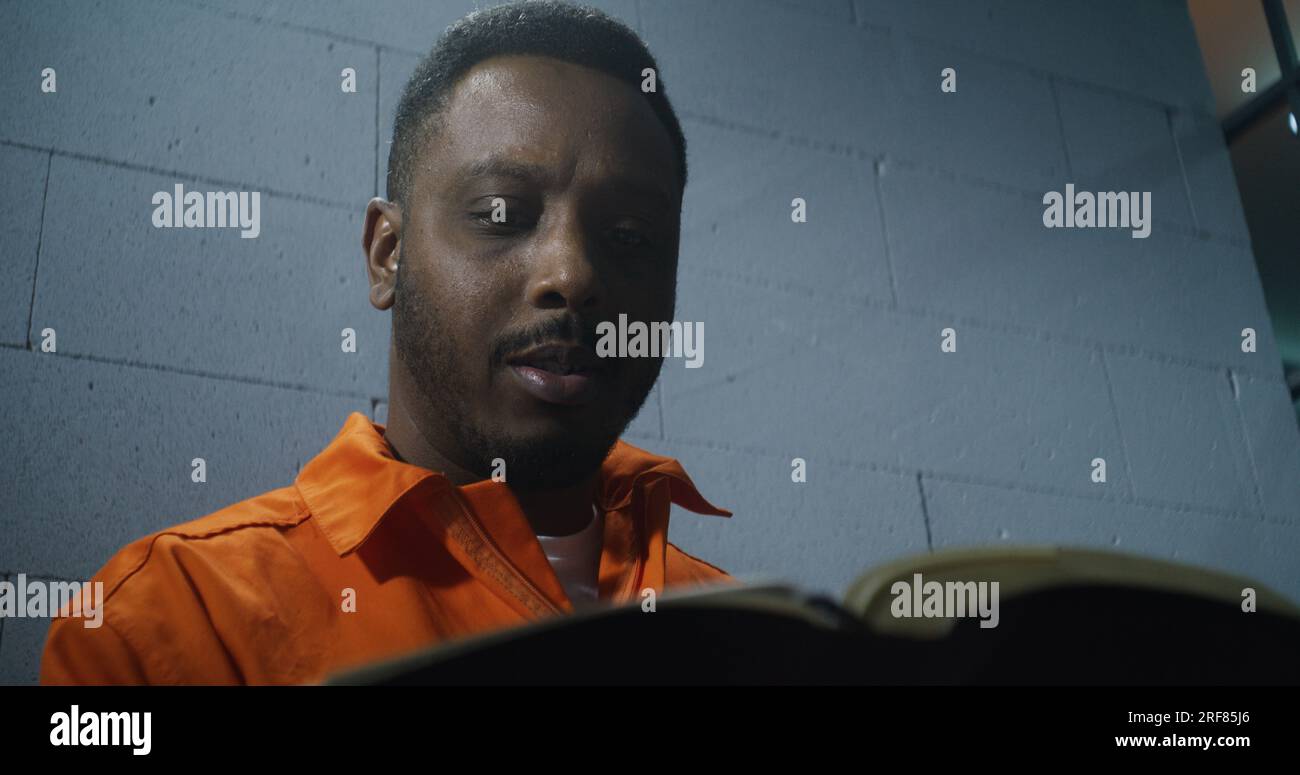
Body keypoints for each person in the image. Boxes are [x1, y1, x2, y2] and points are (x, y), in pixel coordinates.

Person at [41, 0, 734, 685]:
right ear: (386, 255)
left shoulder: (753, 635)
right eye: (502, 214)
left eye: (631, 239)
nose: (573, 275)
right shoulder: (170, 620)